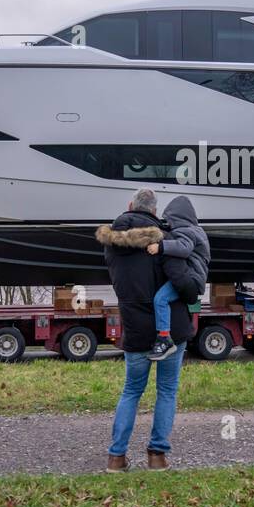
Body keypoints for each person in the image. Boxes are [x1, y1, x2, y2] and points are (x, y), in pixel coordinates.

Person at [95, 188, 204, 472]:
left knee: (131, 391)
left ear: (130, 205)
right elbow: (186, 286)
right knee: (166, 392)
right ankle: (157, 456)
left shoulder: (111, 244)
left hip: (134, 330)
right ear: (154, 212)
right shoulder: (164, 239)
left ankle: (116, 458)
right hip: (170, 333)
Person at [144, 196, 210, 360]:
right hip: (195, 277)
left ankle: (164, 338)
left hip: (191, 277)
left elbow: (184, 248)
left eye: (169, 220)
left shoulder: (186, 231)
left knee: (160, 299)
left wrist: (160, 247)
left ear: (178, 218)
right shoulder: (197, 230)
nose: (168, 223)